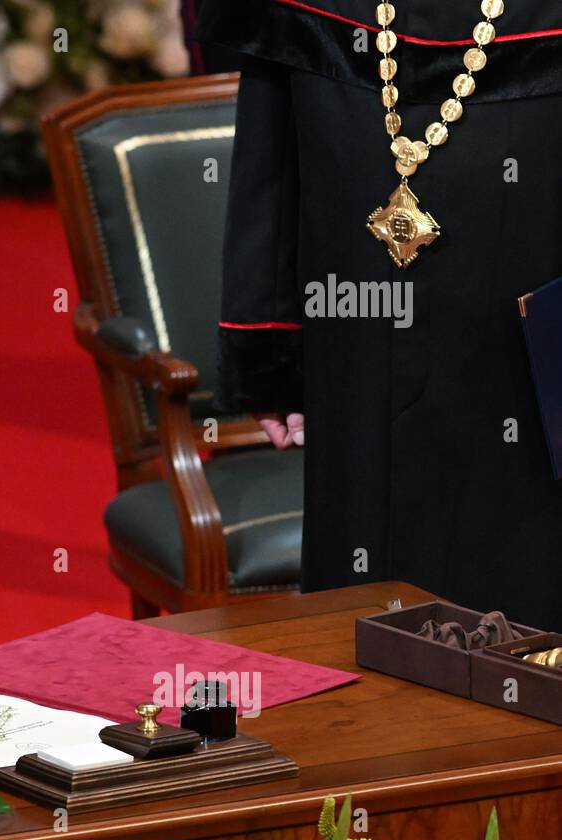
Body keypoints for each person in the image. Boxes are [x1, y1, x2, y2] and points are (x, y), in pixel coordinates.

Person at [198, 0, 562, 628]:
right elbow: (269, 164)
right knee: (364, 623)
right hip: (355, 354)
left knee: (520, 624)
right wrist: (271, 359)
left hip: (520, 365)